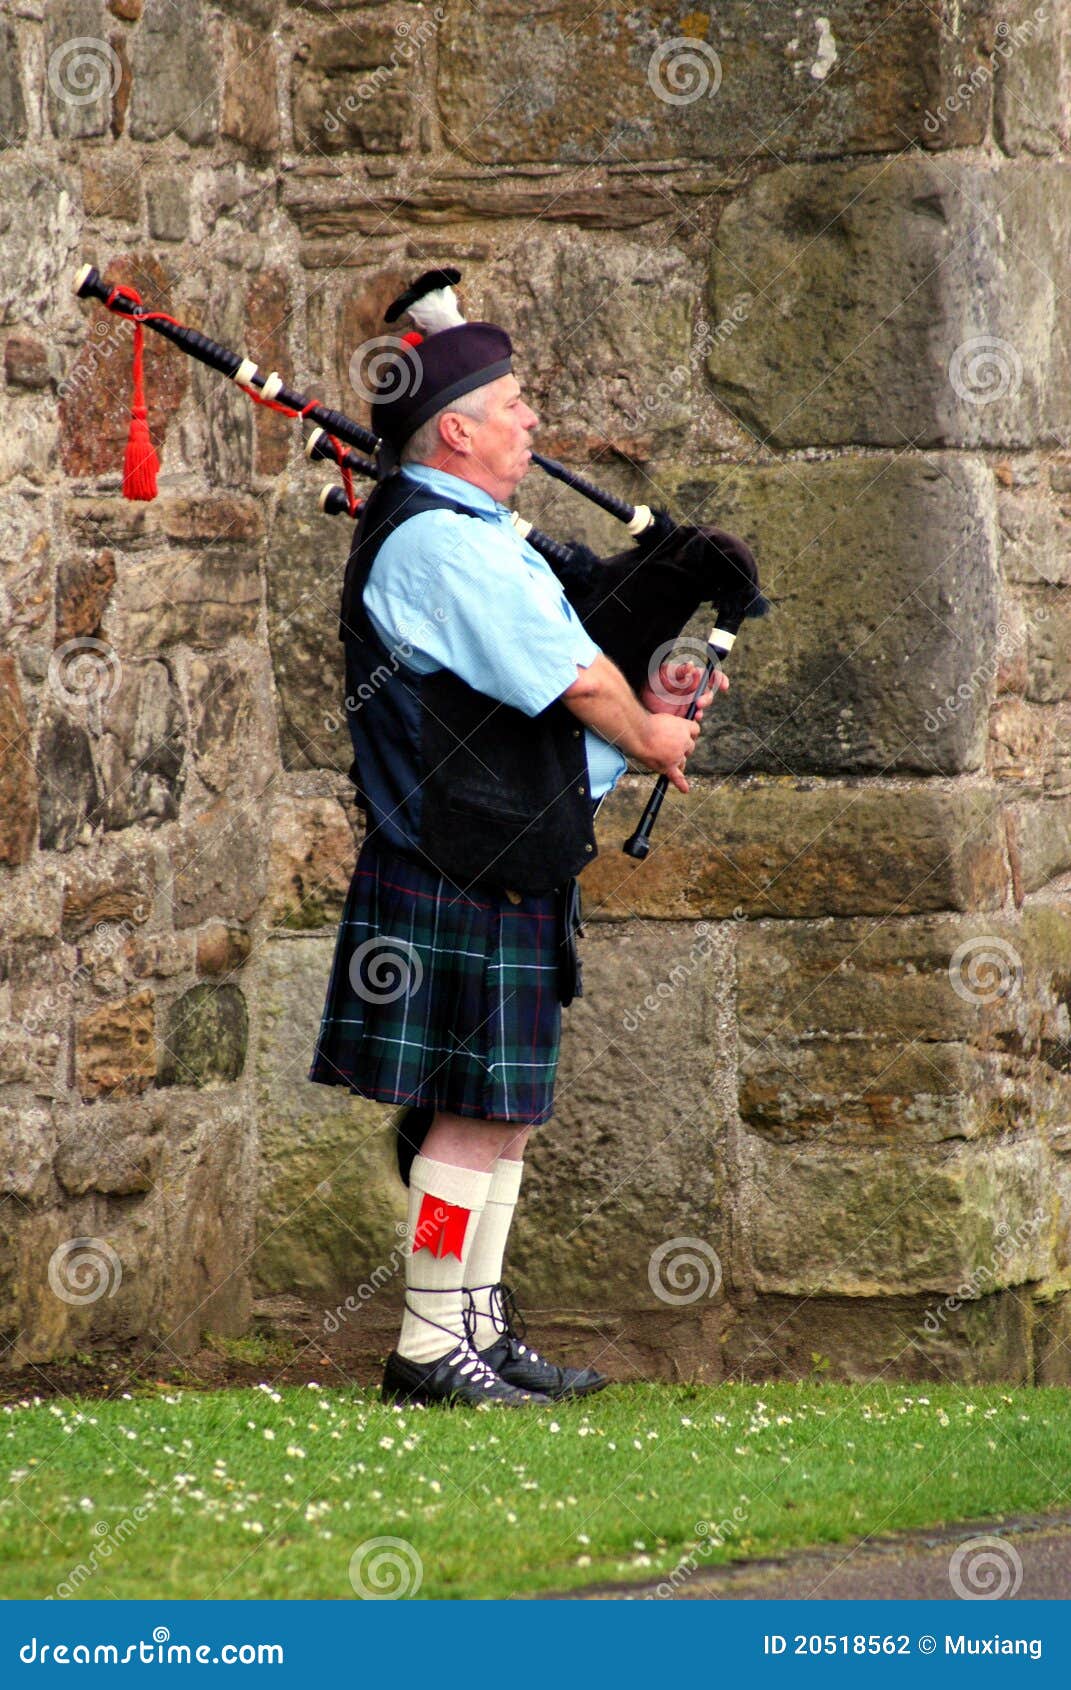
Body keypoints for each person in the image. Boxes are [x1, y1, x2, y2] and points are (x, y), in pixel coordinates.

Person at [308, 283, 724, 1408]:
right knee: (468, 1108)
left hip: (501, 850)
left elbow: (575, 658)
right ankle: (427, 1347)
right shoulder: (443, 545)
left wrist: (665, 684)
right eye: (513, 403)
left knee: (505, 1109)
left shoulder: (483, 533)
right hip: (456, 853)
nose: (532, 421)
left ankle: (473, 1329)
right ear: (455, 429)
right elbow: (573, 675)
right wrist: (647, 731)